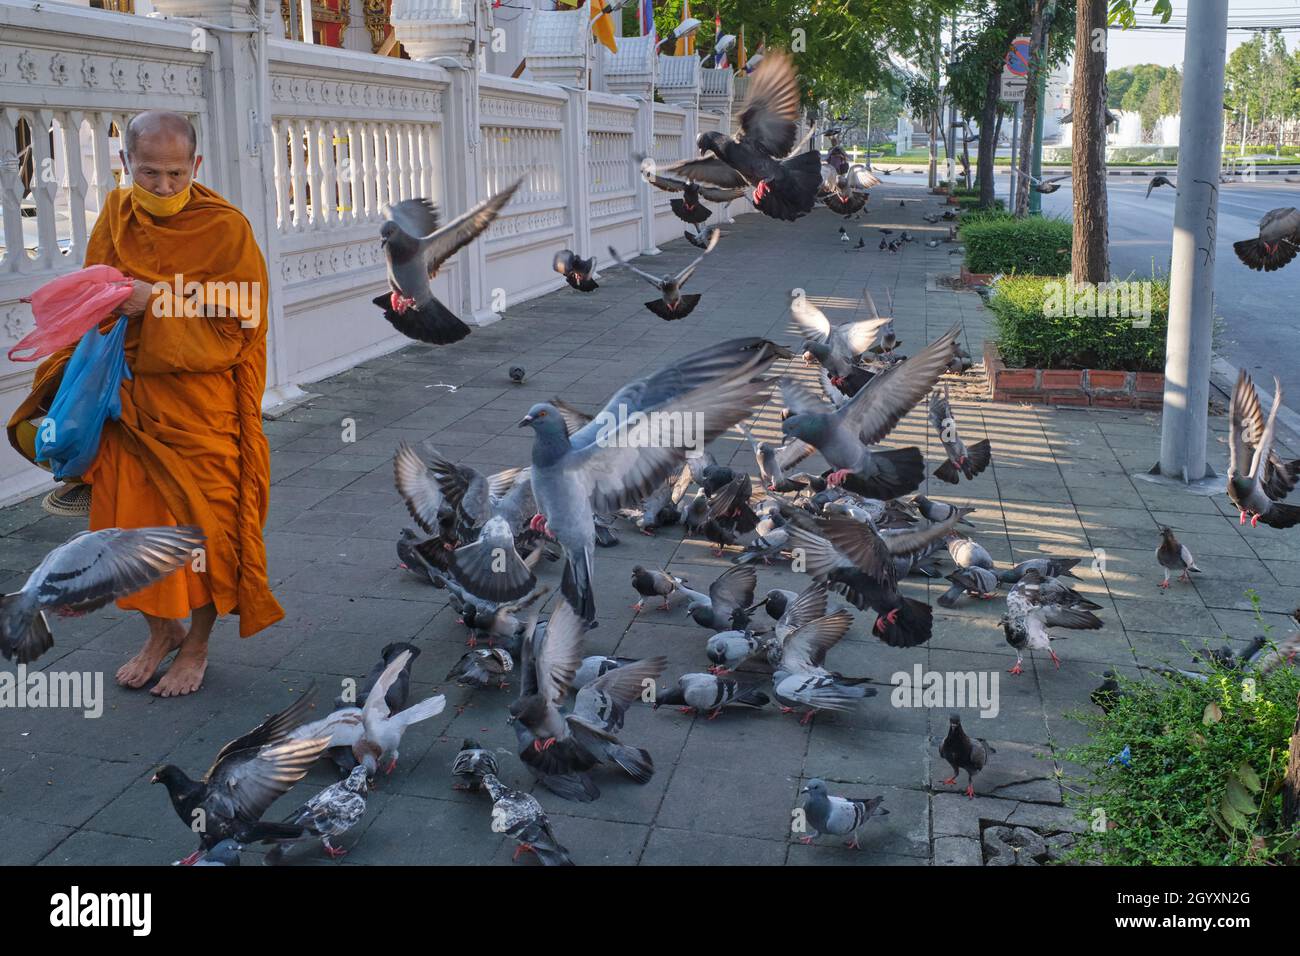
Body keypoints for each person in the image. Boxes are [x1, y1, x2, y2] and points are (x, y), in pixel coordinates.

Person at [6, 110, 283, 696]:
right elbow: (96, 305)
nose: (162, 187)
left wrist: (154, 301)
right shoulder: (116, 213)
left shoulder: (225, 229)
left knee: (207, 533)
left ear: (196, 166)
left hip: (202, 408)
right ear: (126, 165)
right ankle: (163, 630)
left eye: (176, 175)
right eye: (149, 173)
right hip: (129, 407)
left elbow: (240, 328)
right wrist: (112, 302)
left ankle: (199, 644)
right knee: (126, 533)